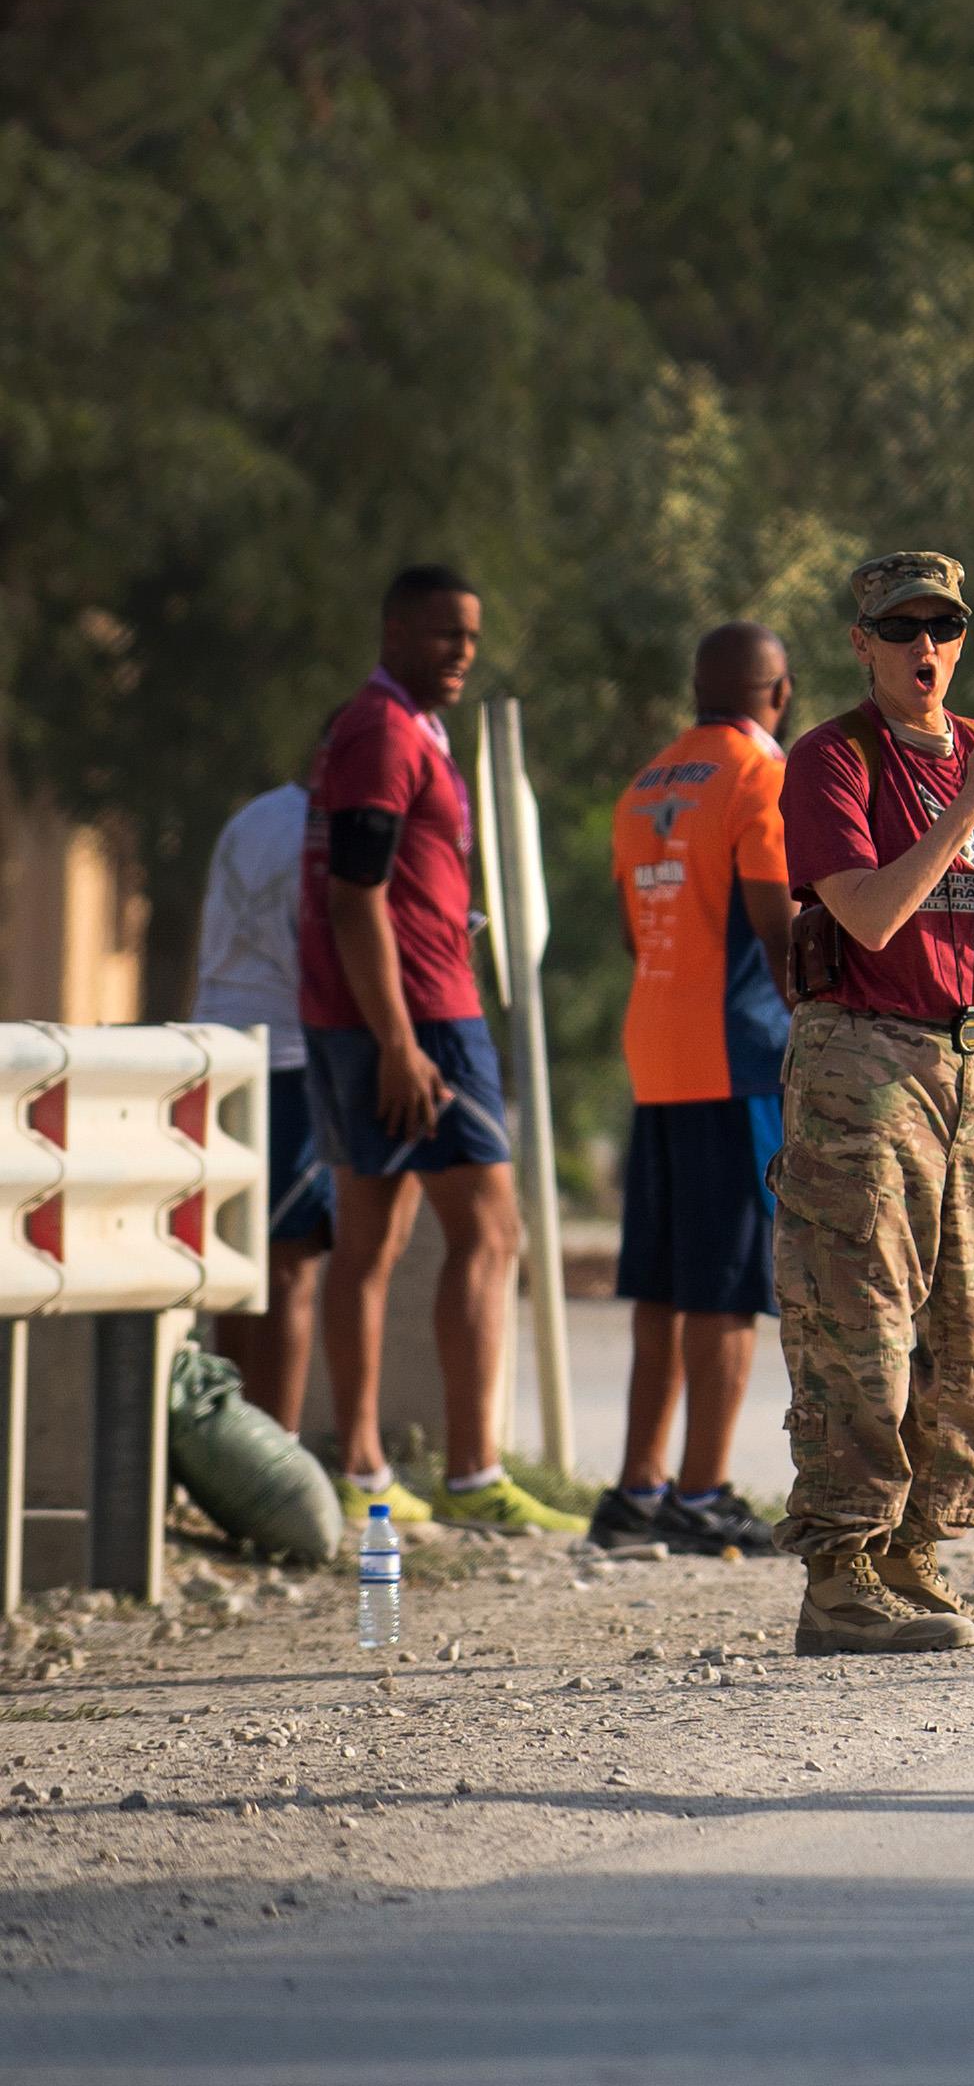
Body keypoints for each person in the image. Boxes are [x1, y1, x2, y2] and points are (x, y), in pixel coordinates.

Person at [773, 552, 974, 1654]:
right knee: (858, 1315)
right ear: (861, 642)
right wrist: (971, 804)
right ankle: (841, 1569)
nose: (925, 647)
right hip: (867, 1063)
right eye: (901, 628)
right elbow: (868, 914)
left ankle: (915, 1552)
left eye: (944, 628)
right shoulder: (833, 758)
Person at [297, 565, 583, 1534]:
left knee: (371, 1239)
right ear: (393, 631)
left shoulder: (404, 727)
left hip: (388, 1012)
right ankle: (472, 1474)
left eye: (470, 635)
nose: (462, 651)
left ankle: (365, 1469)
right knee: (490, 1231)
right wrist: (398, 1043)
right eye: (442, 633)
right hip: (416, 1023)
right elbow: (352, 896)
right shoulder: (383, 729)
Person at [597, 624, 798, 1557]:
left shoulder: (646, 783)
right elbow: (775, 923)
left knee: (663, 1282)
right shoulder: (762, 774)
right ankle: (703, 1490)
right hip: (737, 1059)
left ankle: (636, 1488)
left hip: (657, 1051)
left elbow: (633, 932)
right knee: (726, 1286)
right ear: (779, 692)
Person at [191, 768, 328, 1434]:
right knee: (287, 1269)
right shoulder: (328, 829)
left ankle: (230, 1450)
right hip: (289, 1057)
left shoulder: (252, 817)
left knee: (237, 1270)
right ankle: (275, 1453)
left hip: (217, 1050)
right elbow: (330, 946)